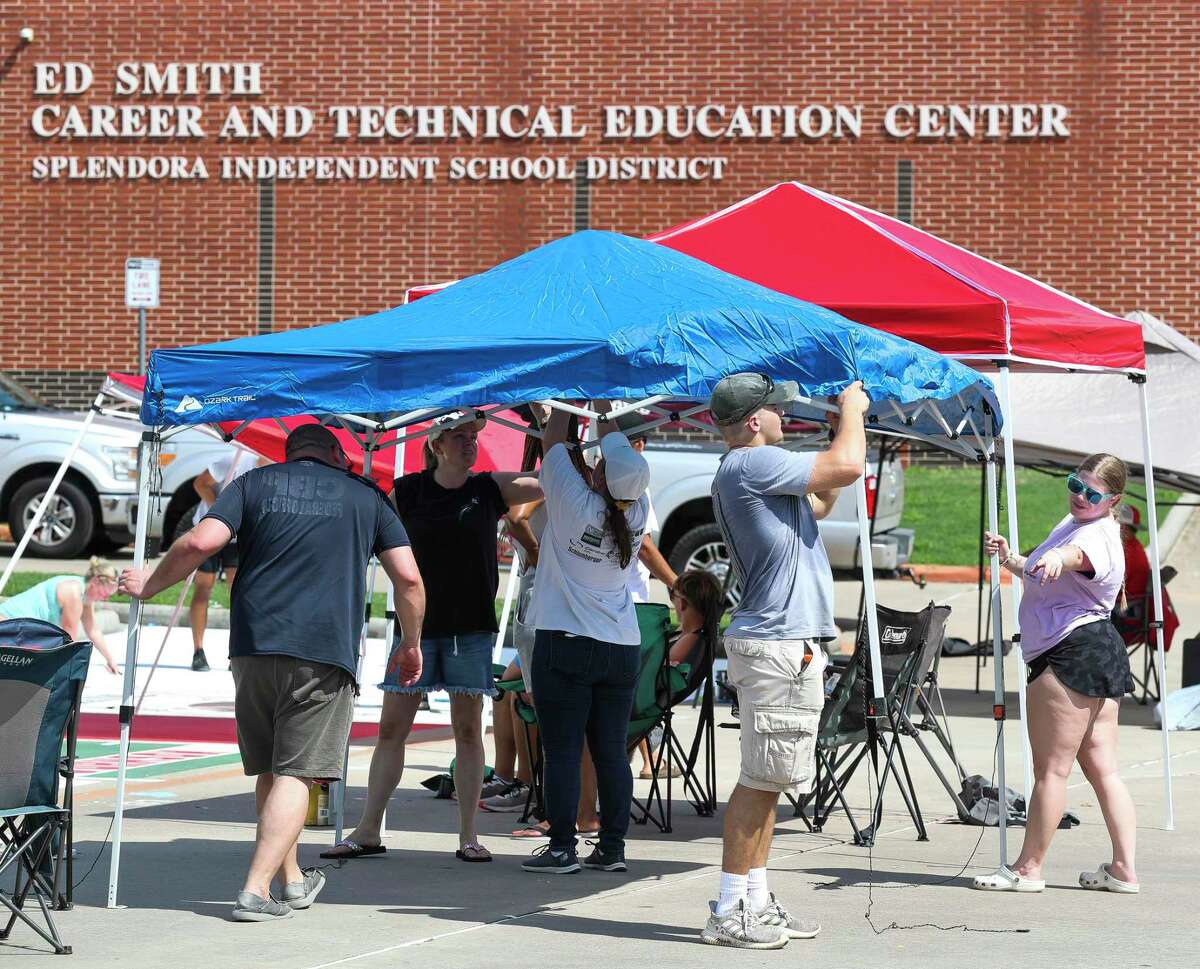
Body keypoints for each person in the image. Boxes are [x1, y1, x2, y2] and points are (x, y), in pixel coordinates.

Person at [119, 424, 424, 922]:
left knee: (272, 767)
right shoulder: (367, 495)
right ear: (338, 456)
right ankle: (255, 889)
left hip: (253, 645)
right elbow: (408, 578)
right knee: (299, 773)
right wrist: (410, 644)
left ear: (289, 453)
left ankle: (293, 879)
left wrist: (151, 584)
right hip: (323, 651)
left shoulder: (253, 484)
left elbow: (200, 542)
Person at [325, 411, 541, 864]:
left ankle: (467, 835)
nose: (469, 444)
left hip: (471, 626)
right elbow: (371, 535)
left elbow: (545, 484)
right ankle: (367, 830)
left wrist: (550, 431)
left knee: (467, 728)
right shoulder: (406, 491)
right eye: (459, 437)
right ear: (437, 446)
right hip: (416, 628)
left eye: (472, 437)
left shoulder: (488, 488)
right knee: (391, 729)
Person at [702, 372, 868, 949]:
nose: (782, 416)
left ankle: (755, 900)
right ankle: (729, 910)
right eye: (774, 410)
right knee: (758, 781)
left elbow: (822, 498)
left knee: (770, 780)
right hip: (776, 644)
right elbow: (846, 465)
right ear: (754, 422)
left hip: (780, 643)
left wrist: (840, 432)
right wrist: (852, 409)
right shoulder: (754, 462)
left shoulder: (756, 469)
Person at [974, 454, 1139, 895]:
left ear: (1113, 500)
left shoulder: (1099, 535)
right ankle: (1123, 869)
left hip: (1070, 654)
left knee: (1051, 770)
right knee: (1103, 769)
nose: (1080, 496)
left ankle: (1028, 869)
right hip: (1096, 650)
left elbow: (1076, 558)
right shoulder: (1076, 521)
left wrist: (1058, 560)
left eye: (1092, 493)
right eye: (1075, 484)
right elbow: (1047, 570)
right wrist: (1013, 559)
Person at [520, 400, 651, 875]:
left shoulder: (576, 505)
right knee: (611, 752)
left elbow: (553, 442)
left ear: (599, 477)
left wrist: (568, 401)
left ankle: (560, 849)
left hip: (565, 642)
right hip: (620, 645)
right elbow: (612, 463)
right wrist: (604, 410)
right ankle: (612, 849)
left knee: (561, 751)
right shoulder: (637, 510)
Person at [187, 445, 260, 671]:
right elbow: (200, 483)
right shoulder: (236, 460)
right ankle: (198, 650)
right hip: (210, 528)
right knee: (203, 587)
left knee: (238, 593)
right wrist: (219, 511)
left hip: (237, 535)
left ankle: (237, 651)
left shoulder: (275, 475)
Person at [0, 557, 121, 673]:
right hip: (9, 624)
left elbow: (93, 631)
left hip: (16, 628)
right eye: (105, 593)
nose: (105, 598)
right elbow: (68, 640)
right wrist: (72, 676)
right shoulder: (73, 593)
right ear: (95, 581)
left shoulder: (84, 594)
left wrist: (110, 660)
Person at [1112, 504, 1178, 651]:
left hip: (1126, 616)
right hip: (1134, 611)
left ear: (1124, 527)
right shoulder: (1133, 546)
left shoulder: (1126, 551)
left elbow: (1111, 585)